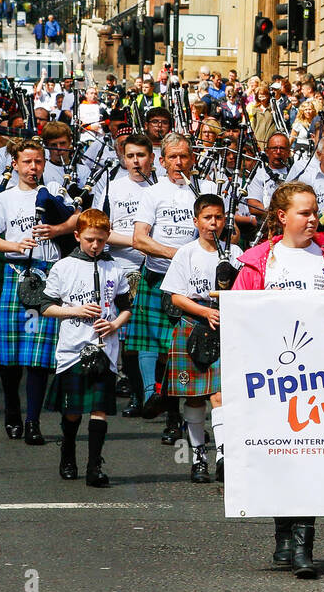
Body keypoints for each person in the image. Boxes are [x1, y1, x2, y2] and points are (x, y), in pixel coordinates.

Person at [232, 182, 324, 577]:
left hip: (320, 379)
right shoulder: (258, 262)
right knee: (278, 458)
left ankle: (305, 544)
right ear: (282, 217)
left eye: (315, 211)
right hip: (270, 376)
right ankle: (283, 537)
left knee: (312, 459)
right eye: (304, 213)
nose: (312, 219)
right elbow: (239, 317)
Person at [0, 138, 75, 443]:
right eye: (27, 162)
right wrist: (15, 244)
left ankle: (33, 421)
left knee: (36, 353)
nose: (33, 167)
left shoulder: (55, 193)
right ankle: (12, 410)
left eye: (38, 161)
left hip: (45, 279)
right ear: (16, 165)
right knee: (10, 355)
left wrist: (57, 229)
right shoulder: (4, 199)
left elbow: (78, 219)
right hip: (17, 275)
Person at [40, 208, 133, 488]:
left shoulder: (114, 267)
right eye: (90, 239)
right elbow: (45, 307)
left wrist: (115, 324)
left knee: (99, 408)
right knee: (72, 411)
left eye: (101, 241)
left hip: (105, 348)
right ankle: (68, 452)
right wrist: (74, 310)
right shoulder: (63, 267)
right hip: (72, 348)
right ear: (78, 235)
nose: (95, 246)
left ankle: (95, 465)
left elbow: (127, 307)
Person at [132, 132, 215, 445]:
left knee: (192, 354)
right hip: (160, 280)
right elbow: (139, 238)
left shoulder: (206, 190)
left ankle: (183, 418)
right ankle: (171, 417)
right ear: (162, 161)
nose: (179, 162)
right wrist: (178, 255)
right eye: (173, 157)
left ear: (192, 157)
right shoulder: (153, 193)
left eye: (185, 156)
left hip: (198, 286)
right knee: (169, 352)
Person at [162, 194, 242, 483]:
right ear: (196, 221)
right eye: (208, 218)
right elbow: (175, 296)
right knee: (195, 399)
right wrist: (204, 311)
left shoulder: (235, 253)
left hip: (226, 327)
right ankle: (198, 458)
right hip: (193, 324)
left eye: (219, 218)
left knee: (220, 395)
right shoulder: (187, 253)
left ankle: (223, 456)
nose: (214, 223)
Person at [93, 133, 155, 417]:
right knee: (127, 336)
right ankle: (133, 390)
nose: (135, 161)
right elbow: (100, 231)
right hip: (120, 268)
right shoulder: (111, 187)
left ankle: (154, 394)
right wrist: (138, 240)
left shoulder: (159, 188)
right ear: (123, 158)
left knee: (150, 337)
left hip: (154, 268)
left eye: (141, 155)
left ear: (152, 158)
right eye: (130, 156)